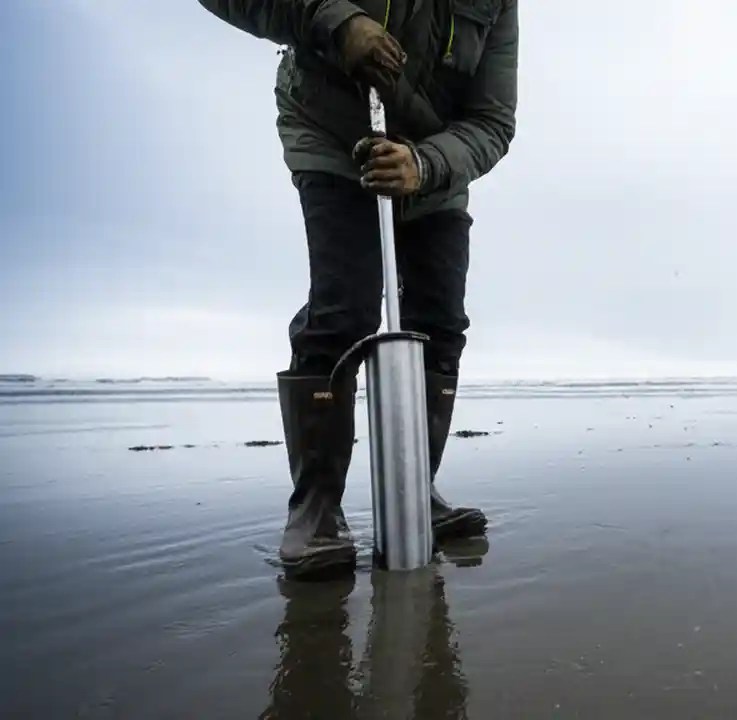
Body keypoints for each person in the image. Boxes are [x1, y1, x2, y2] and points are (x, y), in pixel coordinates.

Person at [197, 0, 518, 578]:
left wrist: (424, 164)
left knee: (441, 322)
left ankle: (416, 487)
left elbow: (494, 120)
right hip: (331, 130)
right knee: (345, 307)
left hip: (430, 163)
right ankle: (316, 508)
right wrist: (334, 21)